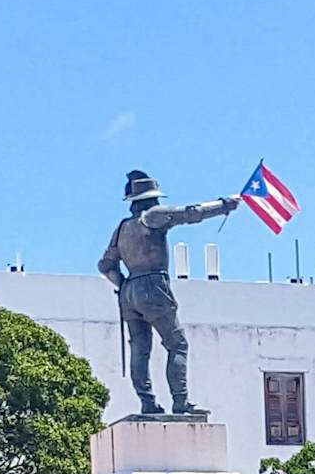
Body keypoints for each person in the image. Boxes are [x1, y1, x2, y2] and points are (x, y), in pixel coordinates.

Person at [98, 168, 239, 417]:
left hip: (129, 291)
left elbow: (105, 265)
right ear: (151, 198)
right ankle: (180, 402)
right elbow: (190, 213)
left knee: (140, 349)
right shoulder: (153, 216)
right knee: (177, 344)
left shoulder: (121, 228)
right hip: (153, 286)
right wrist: (223, 205)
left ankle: (147, 401)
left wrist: (122, 285)